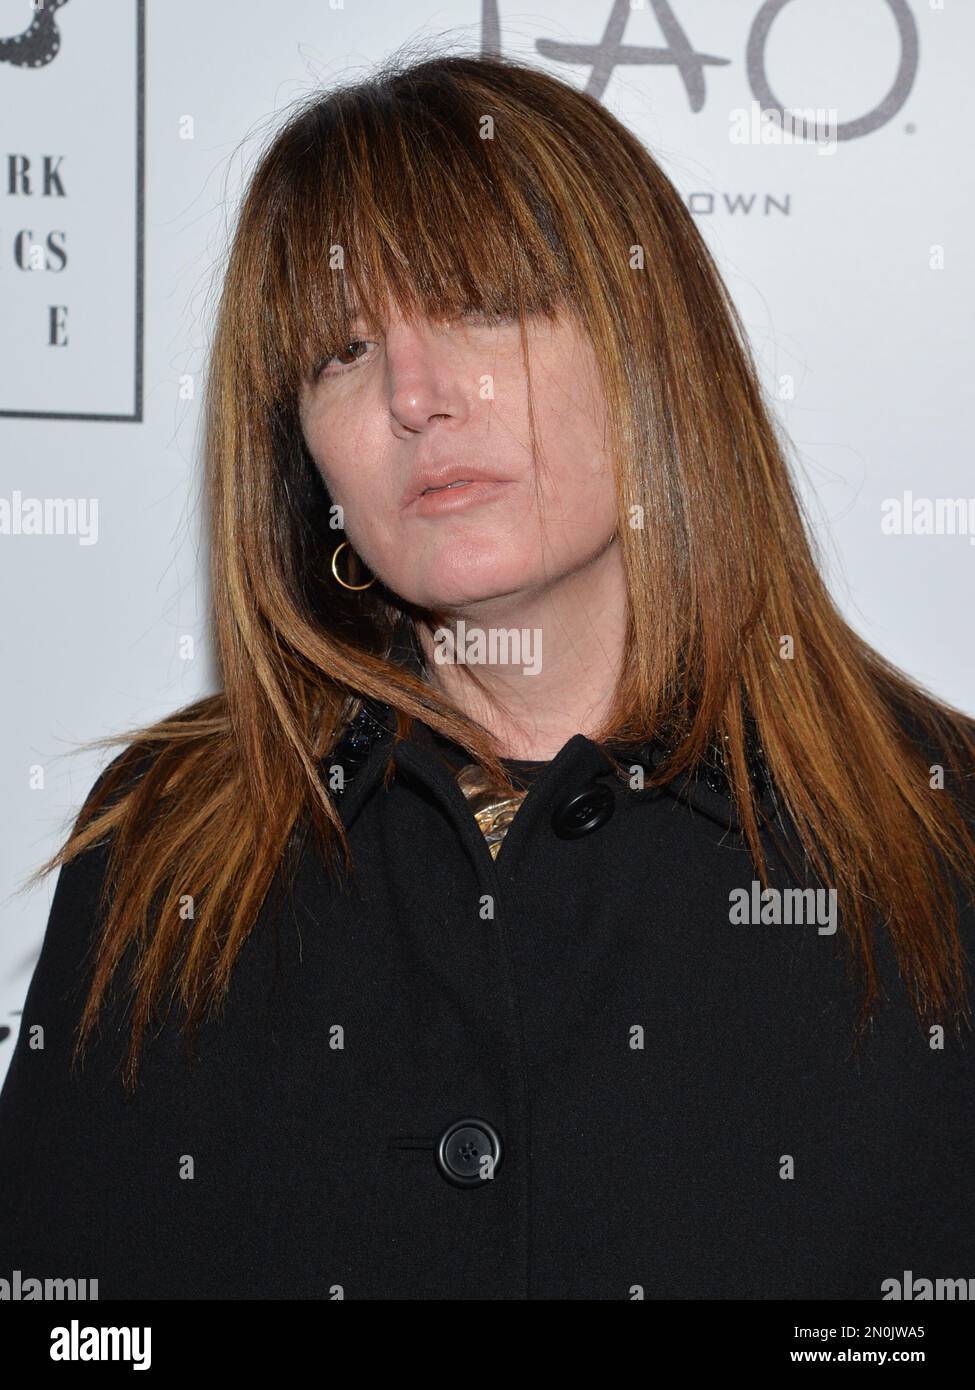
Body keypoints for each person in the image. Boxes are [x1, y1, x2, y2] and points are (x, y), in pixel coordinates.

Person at [1, 50, 974, 1302]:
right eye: (344, 351)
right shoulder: (166, 849)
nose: (415, 395)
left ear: (647, 348)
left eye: (479, 305)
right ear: (302, 454)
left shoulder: (940, 841)